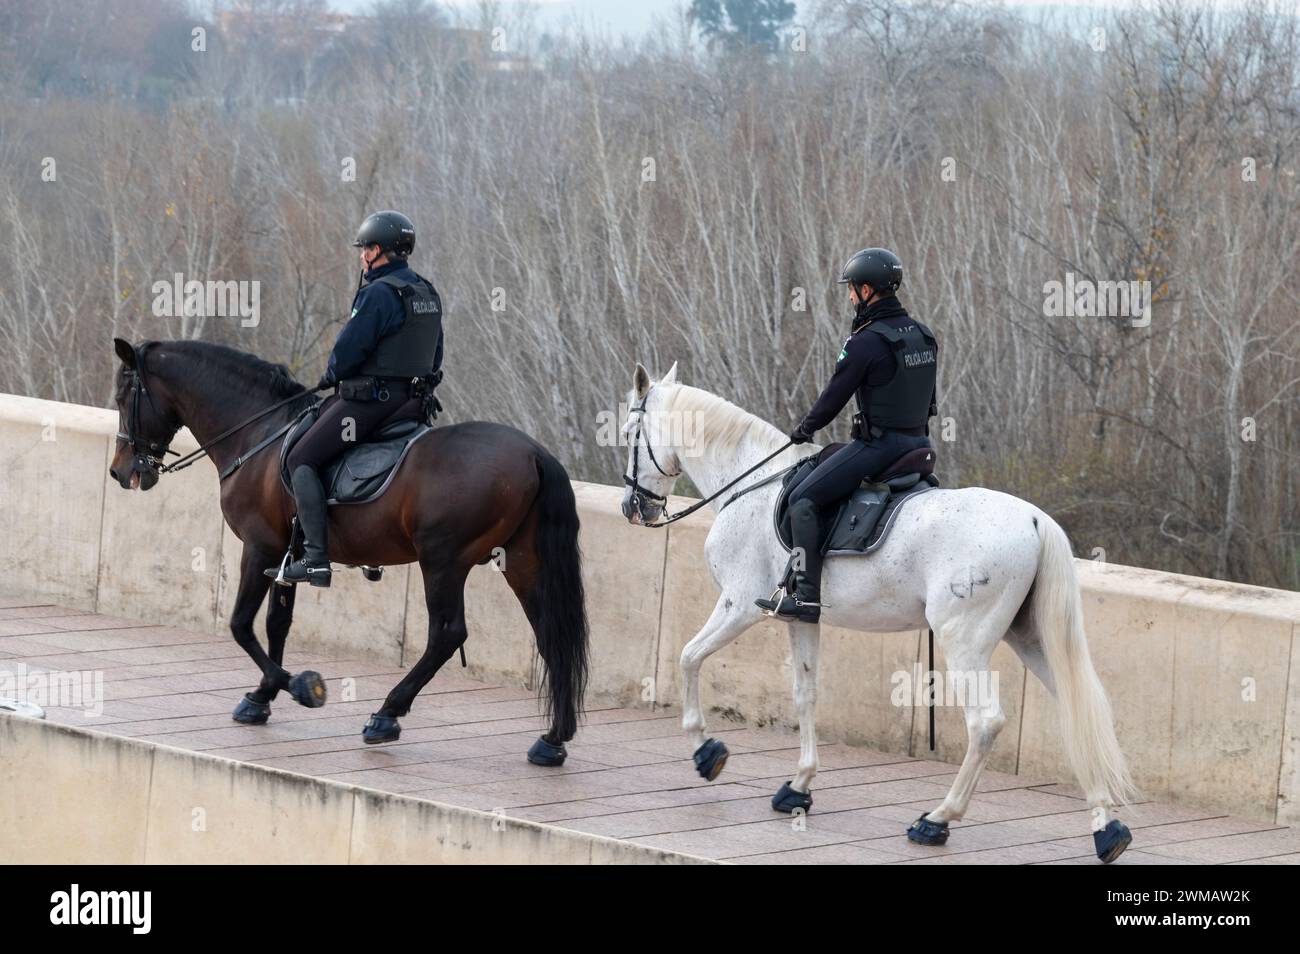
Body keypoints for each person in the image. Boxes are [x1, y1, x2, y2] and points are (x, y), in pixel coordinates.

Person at [756, 248, 937, 623]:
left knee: (804, 496)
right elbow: (929, 401)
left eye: (853, 289)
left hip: (880, 447)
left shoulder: (866, 342)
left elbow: (832, 399)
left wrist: (804, 429)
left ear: (868, 290)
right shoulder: (923, 334)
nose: (851, 296)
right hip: (921, 446)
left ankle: (806, 598)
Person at [274, 210, 443, 587]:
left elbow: (347, 352)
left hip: (371, 407)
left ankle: (316, 558)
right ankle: (370, 546)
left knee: (303, 457)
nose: (360, 256)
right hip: (415, 408)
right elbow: (436, 358)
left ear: (377, 251)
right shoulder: (427, 293)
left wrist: (330, 376)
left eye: (364, 248)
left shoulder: (378, 294)